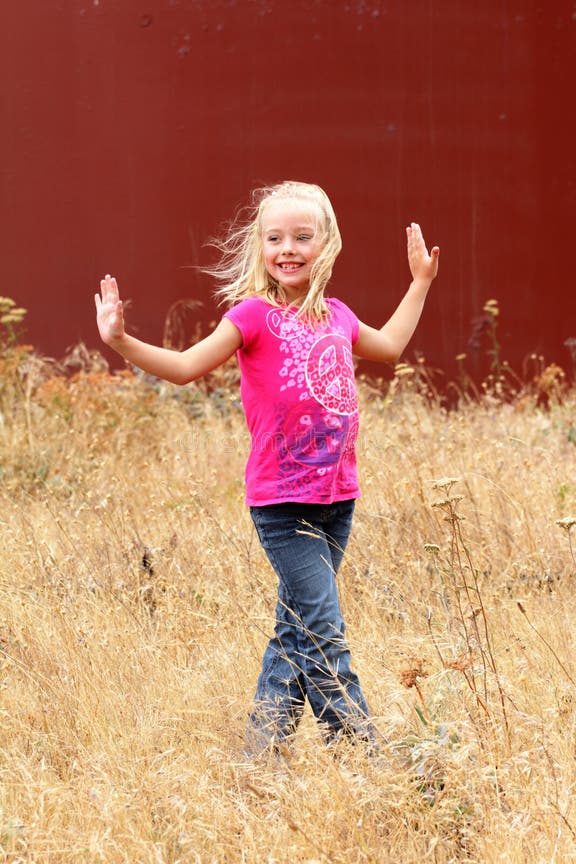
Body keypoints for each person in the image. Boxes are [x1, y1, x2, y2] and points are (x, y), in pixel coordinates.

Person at [95, 180, 439, 759]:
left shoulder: (339, 316)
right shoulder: (251, 317)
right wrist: (122, 340)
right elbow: (182, 368)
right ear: (260, 247)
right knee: (324, 631)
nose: (288, 248)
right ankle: (364, 757)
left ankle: (260, 755)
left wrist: (420, 283)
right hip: (283, 505)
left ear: (326, 244)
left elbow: (391, 347)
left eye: (302, 237)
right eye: (275, 237)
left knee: (296, 629)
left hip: (338, 500)